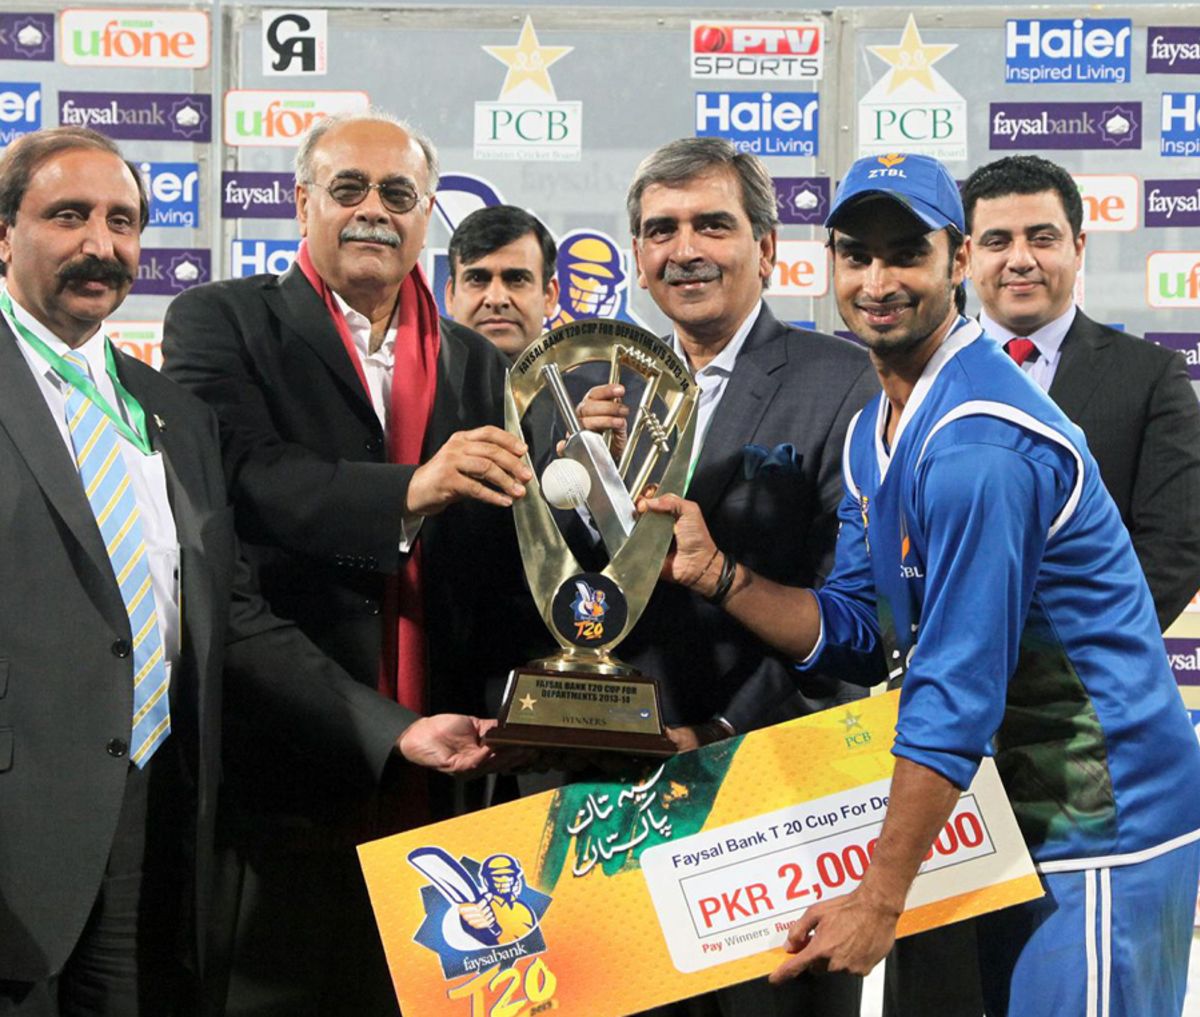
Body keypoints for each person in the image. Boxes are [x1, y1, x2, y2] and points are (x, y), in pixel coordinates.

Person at [641, 152, 1200, 1016]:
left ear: (957, 259)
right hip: (1005, 812)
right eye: (857, 255)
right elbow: (863, 625)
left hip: (1102, 822)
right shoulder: (879, 425)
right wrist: (720, 574)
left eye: (907, 252)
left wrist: (879, 895)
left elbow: (955, 686)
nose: (878, 279)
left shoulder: (980, 446)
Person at [0, 127, 495, 1017]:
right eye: (67, 216)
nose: (99, 244)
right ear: (4, 234)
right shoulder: (220, 327)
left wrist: (395, 730)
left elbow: (227, 614)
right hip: (22, 827)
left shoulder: (163, 412)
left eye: (121, 221)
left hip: (157, 819)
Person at [161, 110, 536, 1016]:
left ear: (425, 214)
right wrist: (413, 488)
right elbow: (247, 480)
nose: (374, 210)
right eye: (349, 189)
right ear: (300, 203)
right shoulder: (219, 321)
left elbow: (494, 558)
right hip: (285, 764)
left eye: (398, 194)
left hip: (448, 774)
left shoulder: (477, 360)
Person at [571, 137, 877, 1017]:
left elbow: (853, 619)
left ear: (767, 249)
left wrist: (718, 729)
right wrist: (573, 483)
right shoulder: (593, 385)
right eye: (660, 229)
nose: (685, 248)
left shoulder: (843, 379)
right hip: (614, 794)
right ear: (636, 257)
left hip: (773, 791)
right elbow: (571, 587)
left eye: (713, 223)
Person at [963, 154, 1200, 631]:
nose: (1021, 259)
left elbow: (1175, 544)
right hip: (945, 678)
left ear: (1079, 247)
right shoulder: (923, 375)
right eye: (998, 241)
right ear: (967, 257)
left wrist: (1080, 659)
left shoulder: (1151, 378)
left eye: (1043, 238)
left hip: (1089, 688)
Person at [445, 204, 558, 359]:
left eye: (517, 279)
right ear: (451, 297)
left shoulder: (589, 383)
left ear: (549, 297)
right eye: (477, 279)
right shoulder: (412, 382)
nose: (496, 299)